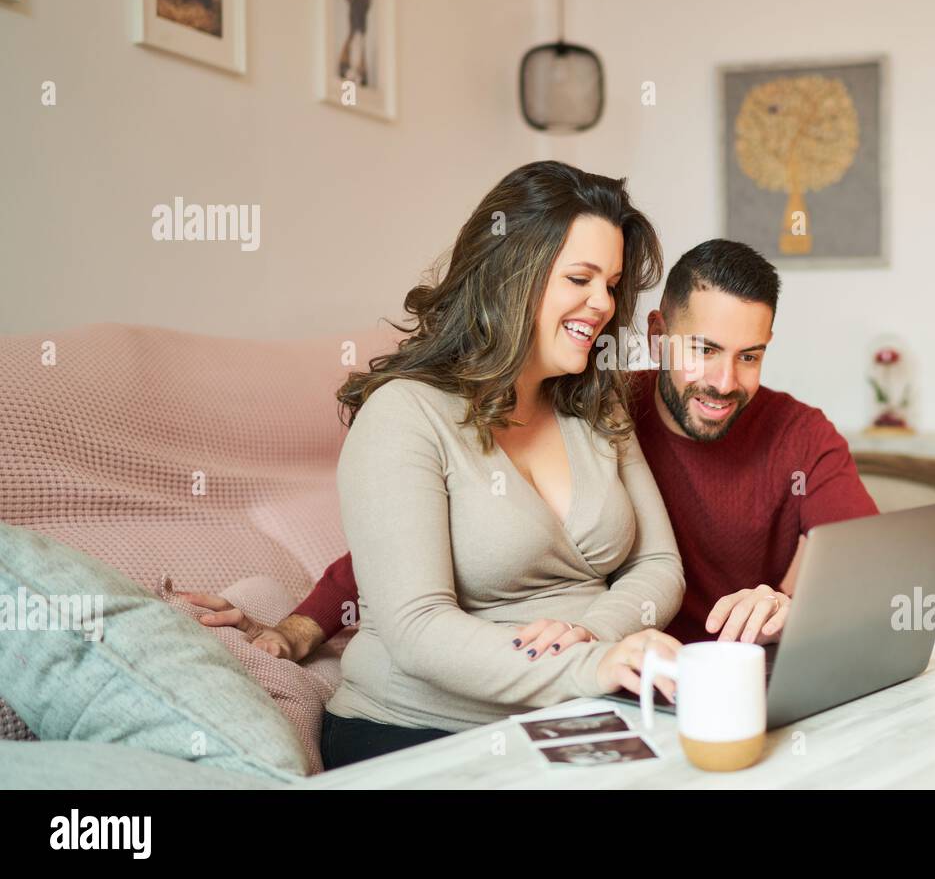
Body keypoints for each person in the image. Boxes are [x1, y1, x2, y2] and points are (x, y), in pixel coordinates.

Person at [189, 239, 877, 695]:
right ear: (661, 336)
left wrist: (790, 604)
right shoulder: (597, 409)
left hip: (727, 686)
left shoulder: (802, 434)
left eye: (750, 355)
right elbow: (428, 532)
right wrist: (299, 627)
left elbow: (863, 575)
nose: (724, 380)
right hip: (619, 685)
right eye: (704, 349)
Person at [204, 160, 688, 769]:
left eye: (612, 284)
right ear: (513, 275)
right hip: (421, 730)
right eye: (581, 279)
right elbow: (417, 629)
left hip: (578, 713)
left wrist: (596, 633)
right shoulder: (405, 415)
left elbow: (658, 562)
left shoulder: (596, 404)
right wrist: (588, 666)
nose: (601, 304)